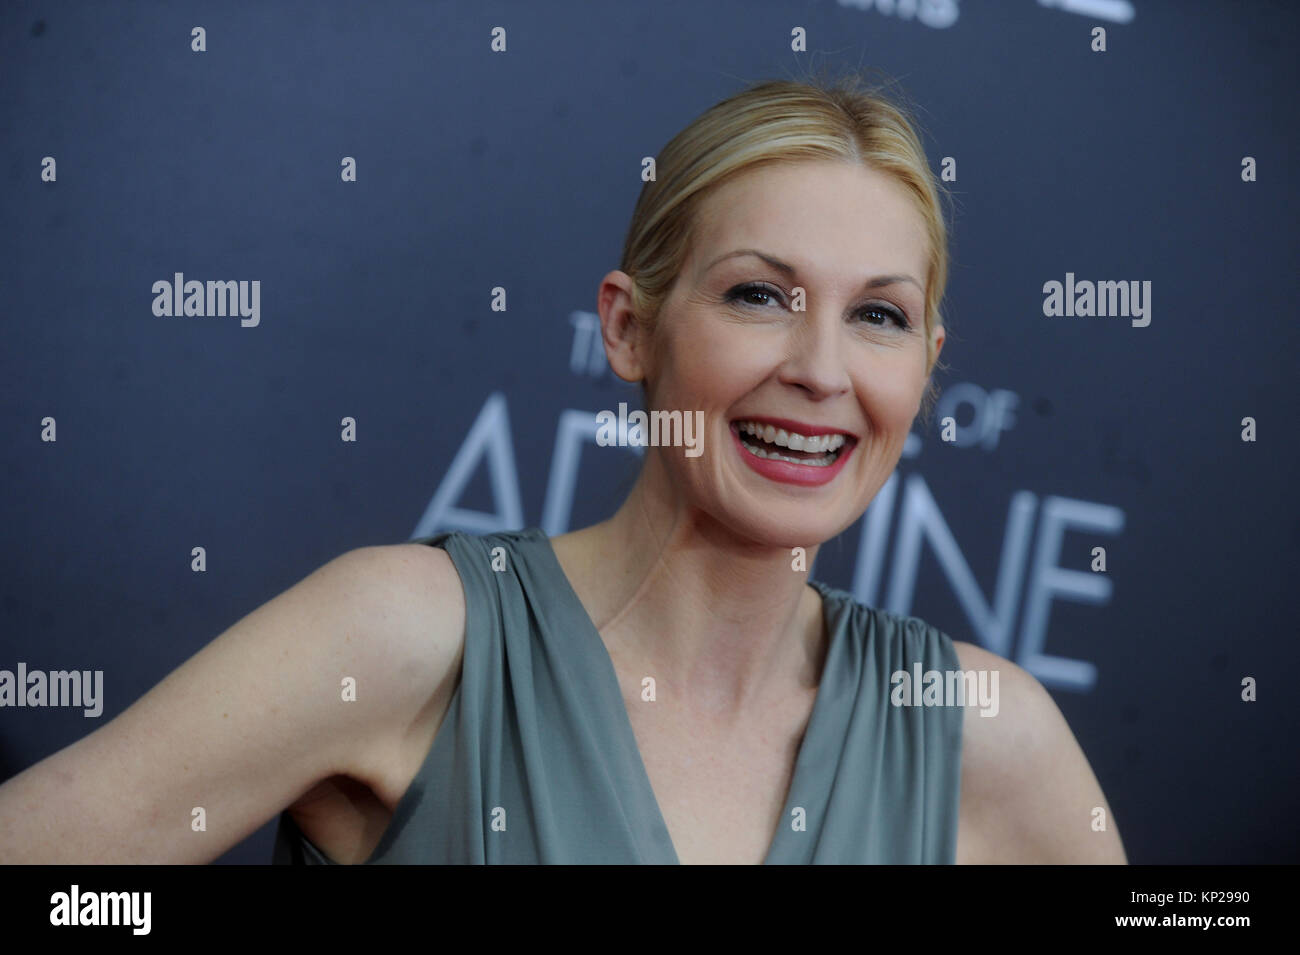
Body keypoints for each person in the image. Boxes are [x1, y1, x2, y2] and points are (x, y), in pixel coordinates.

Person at [0, 74, 1126, 865]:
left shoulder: (982, 732)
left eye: (878, 315)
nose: (820, 369)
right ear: (629, 328)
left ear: (925, 372)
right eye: (755, 295)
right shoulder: (408, 638)